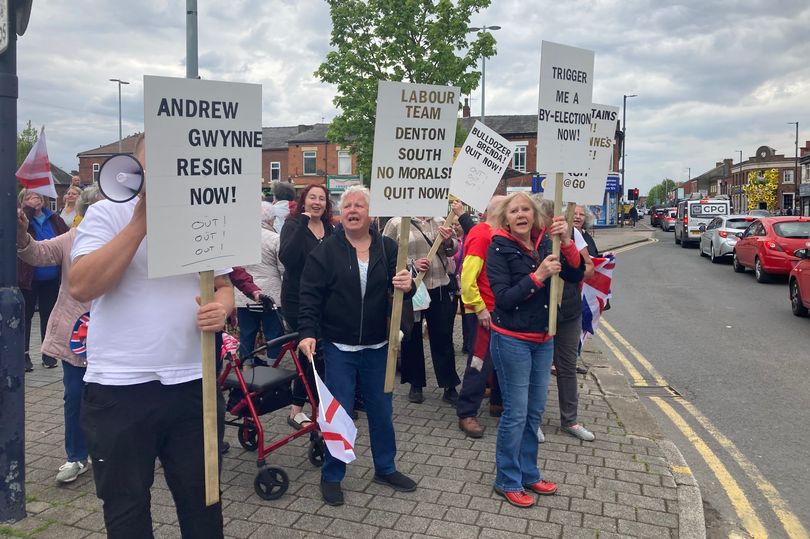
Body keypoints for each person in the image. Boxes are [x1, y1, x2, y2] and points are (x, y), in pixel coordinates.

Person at [69, 136, 231, 538]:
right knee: (126, 508)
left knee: (203, 501)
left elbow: (224, 285)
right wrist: (141, 222)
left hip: (194, 382)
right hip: (120, 388)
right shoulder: (106, 212)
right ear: (135, 167)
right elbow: (82, 286)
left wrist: (222, 308)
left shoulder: (207, 215)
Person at [297, 185, 417, 506]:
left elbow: (405, 284)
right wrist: (307, 331)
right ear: (340, 213)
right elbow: (309, 295)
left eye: (359, 205)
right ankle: (332, 474)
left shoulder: (389, 247)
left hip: (379, 346)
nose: (352, 210)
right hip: (339, 347)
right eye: (347, 205)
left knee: (381, 411)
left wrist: (409, 282)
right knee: (339, 413)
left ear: (370, 213)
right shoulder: (326, 250)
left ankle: (386, 467)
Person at [485, 192, 584, 508]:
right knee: (515, 412)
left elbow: (575, 273)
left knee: (534, 411)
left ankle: (528, 472)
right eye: (513, 211)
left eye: (525, 208)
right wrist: (538, 276)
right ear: (506, 218)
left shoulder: (546, 242)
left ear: (534, 214)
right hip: (512, 338)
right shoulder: (499, 247)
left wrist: (566, 242)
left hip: (544, 339)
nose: (520, 214)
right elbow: (503, 298)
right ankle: (506, 479)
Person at [16, 186, 104, 483]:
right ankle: (77, 456)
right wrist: (22, 235)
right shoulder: (71, 239)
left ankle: (114, 449)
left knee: (118, 394)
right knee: (75, 394)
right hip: (76, 330)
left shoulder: (124, 241)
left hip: (117, 332)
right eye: (90, 207)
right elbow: (38, 253)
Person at [383, 215, 460, 405]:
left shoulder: (441, 220)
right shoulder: (396, 222)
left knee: (443, 337)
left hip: (439, 286)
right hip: (413, 289)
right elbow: (385, 252)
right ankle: (415, 384)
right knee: (412, 336)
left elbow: (453, 250)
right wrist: (411, 264)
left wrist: (449, 240)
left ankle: (449, 385)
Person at [538, 201, 595, 443]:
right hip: (539, 309)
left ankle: (570, 420)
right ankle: (534, 420)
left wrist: (567, 244)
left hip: (569, 308)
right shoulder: (533, 234)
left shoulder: (573, 234)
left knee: (567, 365)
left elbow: (585, 267)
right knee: (538, 366)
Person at [279, 184, 334, 429]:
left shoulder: (330, 228)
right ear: (304, 201)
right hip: (297, 300)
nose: (317, 202)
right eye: (312, 197)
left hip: (323, 300)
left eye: (321, 198)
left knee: (315, 351)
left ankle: (309, 405)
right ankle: (299, 407)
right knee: (308, 349)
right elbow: (287, 258)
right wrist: (302, 224)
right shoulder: (293, 225)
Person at [456, 196, 504, 438]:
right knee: (479, 361)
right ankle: (466, 412)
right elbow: (467, 277)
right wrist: (479, 307)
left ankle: (497, 401)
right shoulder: (482, 234)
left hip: (498, 310)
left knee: (498, 360)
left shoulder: (496, 233)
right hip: (484, 312)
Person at [18, 189, 70, 371]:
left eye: (38, 196)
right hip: (28, 277)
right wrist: (28, 210)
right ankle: (23, 355)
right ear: (23, 201)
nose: (35, 199)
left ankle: (48, 353)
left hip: (52, 278)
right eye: (29, 197)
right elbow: (19, 236)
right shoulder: (22, 219)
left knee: (49, 315)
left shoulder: (55, 219)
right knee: (26, 316)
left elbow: (67, 238)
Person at [233, 201, 285, 363]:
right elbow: (282, 268)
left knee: (247, 334)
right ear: (270, 219)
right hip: (271, 295)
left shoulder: (240, 238)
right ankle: (273, 369)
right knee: (273, 335)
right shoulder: (275, 239)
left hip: (244, 296)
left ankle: (246, 370)